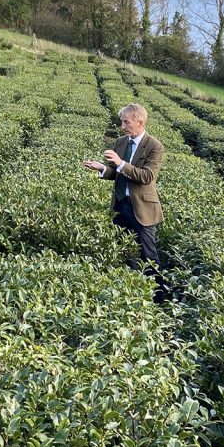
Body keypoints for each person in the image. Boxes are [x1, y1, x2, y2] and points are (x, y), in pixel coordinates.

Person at [82, 103, 167, 302]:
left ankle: (159, 297)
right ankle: (126, 293)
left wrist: (121, 164)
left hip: (142, 208)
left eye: (126, 122)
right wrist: (102, 168)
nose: (122, 126)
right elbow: (115, 173)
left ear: (140, 122)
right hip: (120, 205)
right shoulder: (121, 142)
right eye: (122, 121)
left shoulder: (154, 146)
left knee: (149, 255)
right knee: (121, 250)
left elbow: (146, 177)